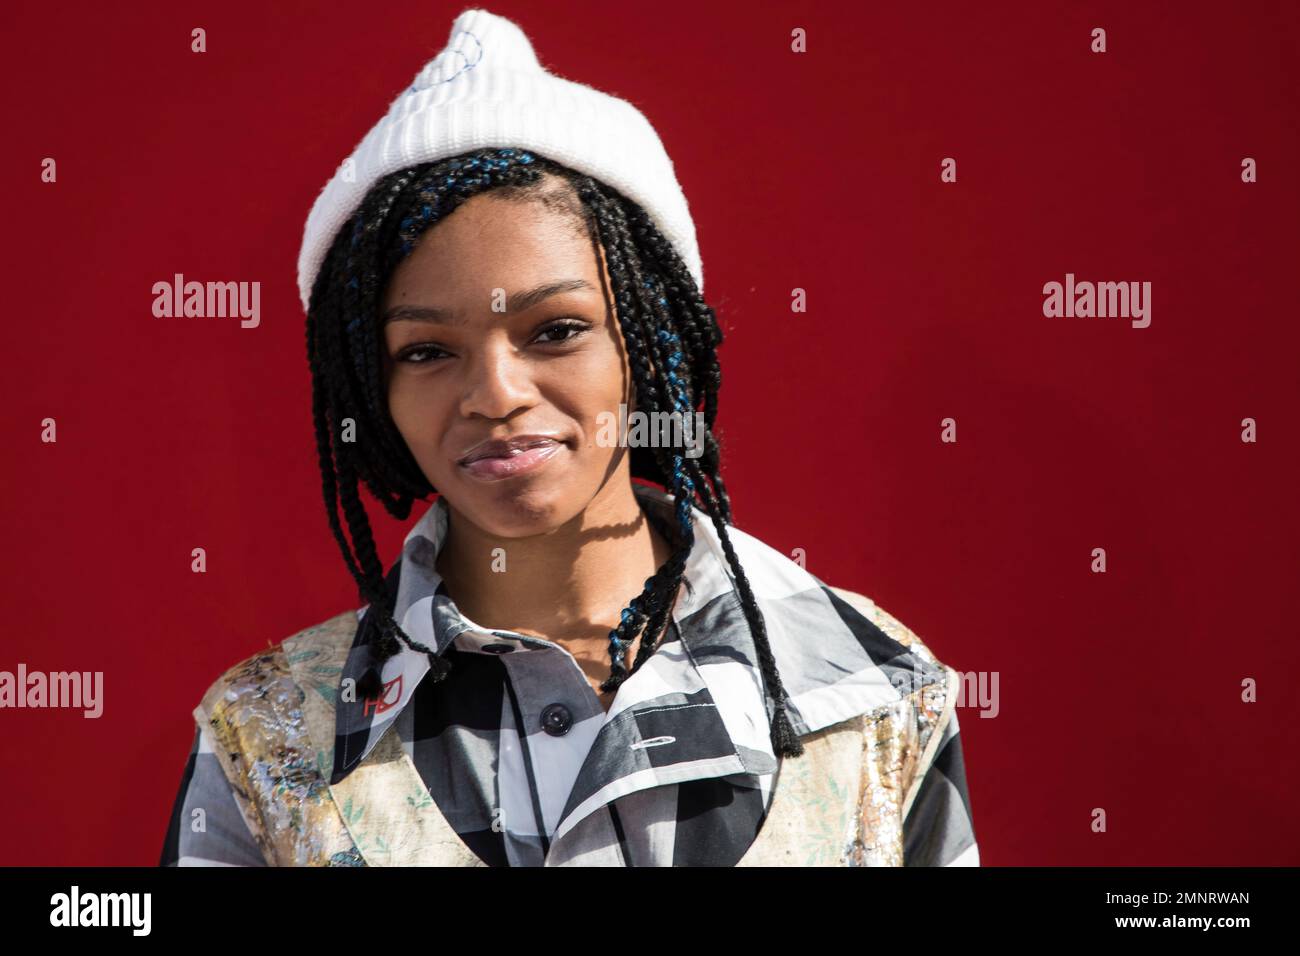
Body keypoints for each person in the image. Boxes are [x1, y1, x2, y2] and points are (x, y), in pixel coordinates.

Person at [159, 7, 979, 867]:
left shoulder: (868, 689)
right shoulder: (271, 738)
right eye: (427, 350)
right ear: (375, 387)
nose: (495, 394)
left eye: (556, 331)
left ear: (650, 347)